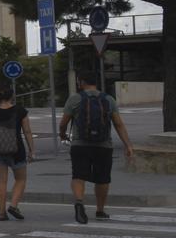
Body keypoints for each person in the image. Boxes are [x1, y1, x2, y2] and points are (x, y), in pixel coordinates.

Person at [58, 73, 135, 224]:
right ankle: (100, 210)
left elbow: (63, 123)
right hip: (104, 145)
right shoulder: (108, 99)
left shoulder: (75, 99)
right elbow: (118, 124)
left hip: (80, 145)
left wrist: (62, 135)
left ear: (81, 82)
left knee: (78, 176)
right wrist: (128, 145)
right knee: (102, 179)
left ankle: (79, 202)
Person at [0, 86, 35, 221]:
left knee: (1, 182)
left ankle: (1, 213)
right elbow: (27, 131)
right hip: (17, 151)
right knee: (21, 179)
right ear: (12, 97)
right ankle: (13, 205)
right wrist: (32, 150)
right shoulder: (20, 111)